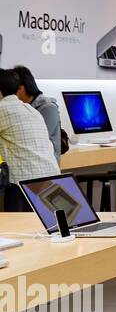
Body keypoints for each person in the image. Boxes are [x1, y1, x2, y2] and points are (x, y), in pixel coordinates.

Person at [0, 68, 61, 212]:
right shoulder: (31, 109)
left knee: (18, 230)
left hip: (24, 184)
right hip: (52, 179)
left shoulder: (2, 109)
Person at [10, 65, 62, 161]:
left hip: (45, 166)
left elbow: (35, 139)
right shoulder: (22, 107)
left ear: (21, 88)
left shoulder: (48, 107)